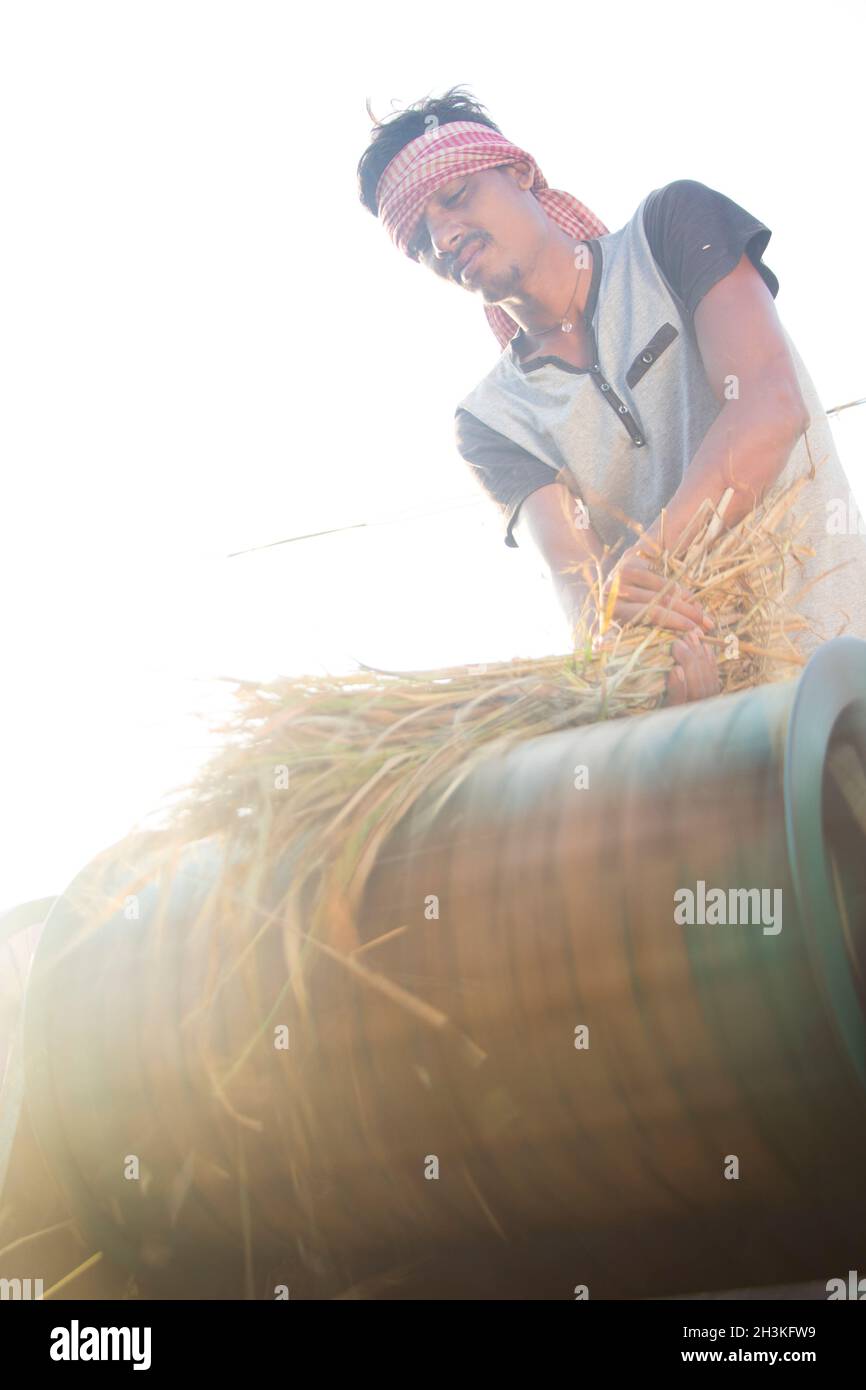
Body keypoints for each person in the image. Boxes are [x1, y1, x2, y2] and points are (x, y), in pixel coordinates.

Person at [357, 87, 866, 704]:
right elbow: (584, 590)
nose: (442, 239)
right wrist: (636, 669)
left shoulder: (671, 230)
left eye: (454, 196)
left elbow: (768, 407)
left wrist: (643, 565)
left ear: (518, 170)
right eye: (418, 238)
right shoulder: (493, 422)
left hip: (848, 659)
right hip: (729, 730)